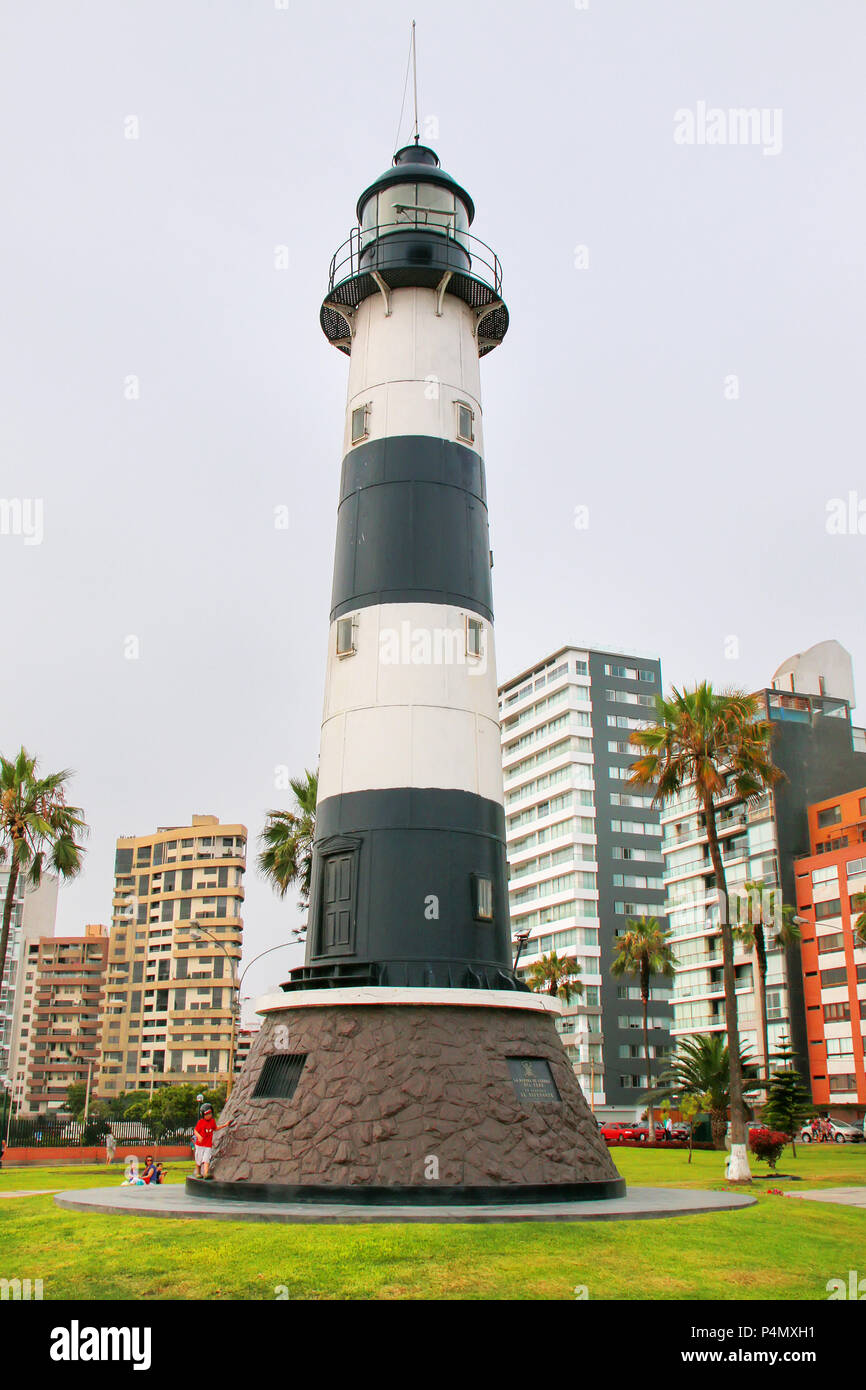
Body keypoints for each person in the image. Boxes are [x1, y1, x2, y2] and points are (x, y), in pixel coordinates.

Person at [194, 1104, 217, 1178]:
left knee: (206, 1159)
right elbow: (195, 1131)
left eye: (210, 1113)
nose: (208, 1116)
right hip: (200, 1145)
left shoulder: (212, 1121)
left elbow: (215, 1128)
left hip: (208, 1145)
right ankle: (198, 1172)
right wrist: (199, 1136)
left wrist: (225, 1125)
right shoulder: (201, 1122)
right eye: (206, 1114)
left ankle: (206, 1173)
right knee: (199, 1160)